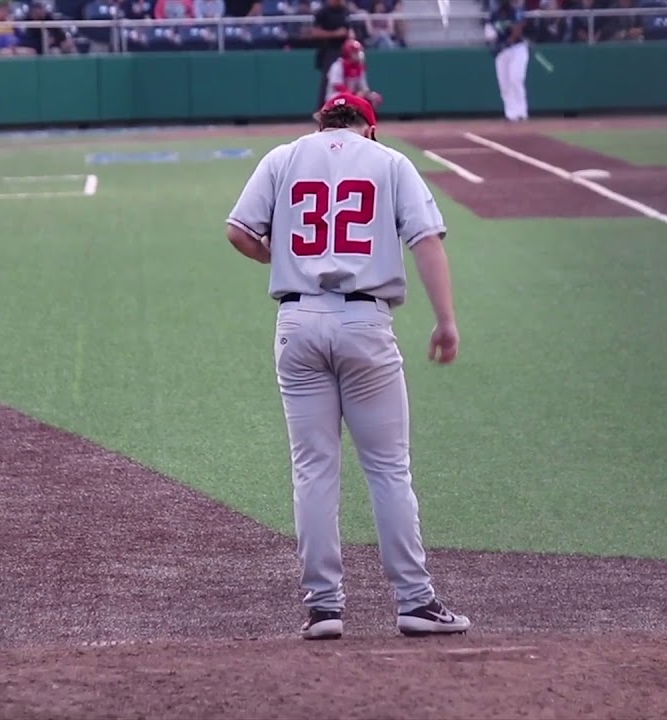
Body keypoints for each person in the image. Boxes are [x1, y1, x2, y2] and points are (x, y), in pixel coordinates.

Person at [224, 93, 472, 641]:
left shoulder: (283, 157)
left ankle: (323, 608)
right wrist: (446, 320)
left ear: (322, 121)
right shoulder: (389, 162)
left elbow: (239, 231)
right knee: (387, 469)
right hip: (365, 324)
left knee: (313, 470)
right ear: (370, 128)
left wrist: (279, 256)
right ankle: (414, 600)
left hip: (296, 322)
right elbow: (426, 240)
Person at [485, 0, 529, 122]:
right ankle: (510, 113)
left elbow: (519, 27)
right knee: (504, 84)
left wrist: (508, 41)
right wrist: (494, 43)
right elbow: (490, 31)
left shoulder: (515, 10)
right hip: (501, 52)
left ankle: (522, 112)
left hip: (517, 49)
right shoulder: (494, 14)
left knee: (516, 78)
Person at [311, 0, 352, 113]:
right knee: (328, 81)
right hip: (329, 50)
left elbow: (348, 28)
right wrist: (335, 34)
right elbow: (315, 32)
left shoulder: (345, 10)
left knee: (347, 81)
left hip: (345, 51)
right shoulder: (323, 12)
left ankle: (344, 111)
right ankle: (322, 111)